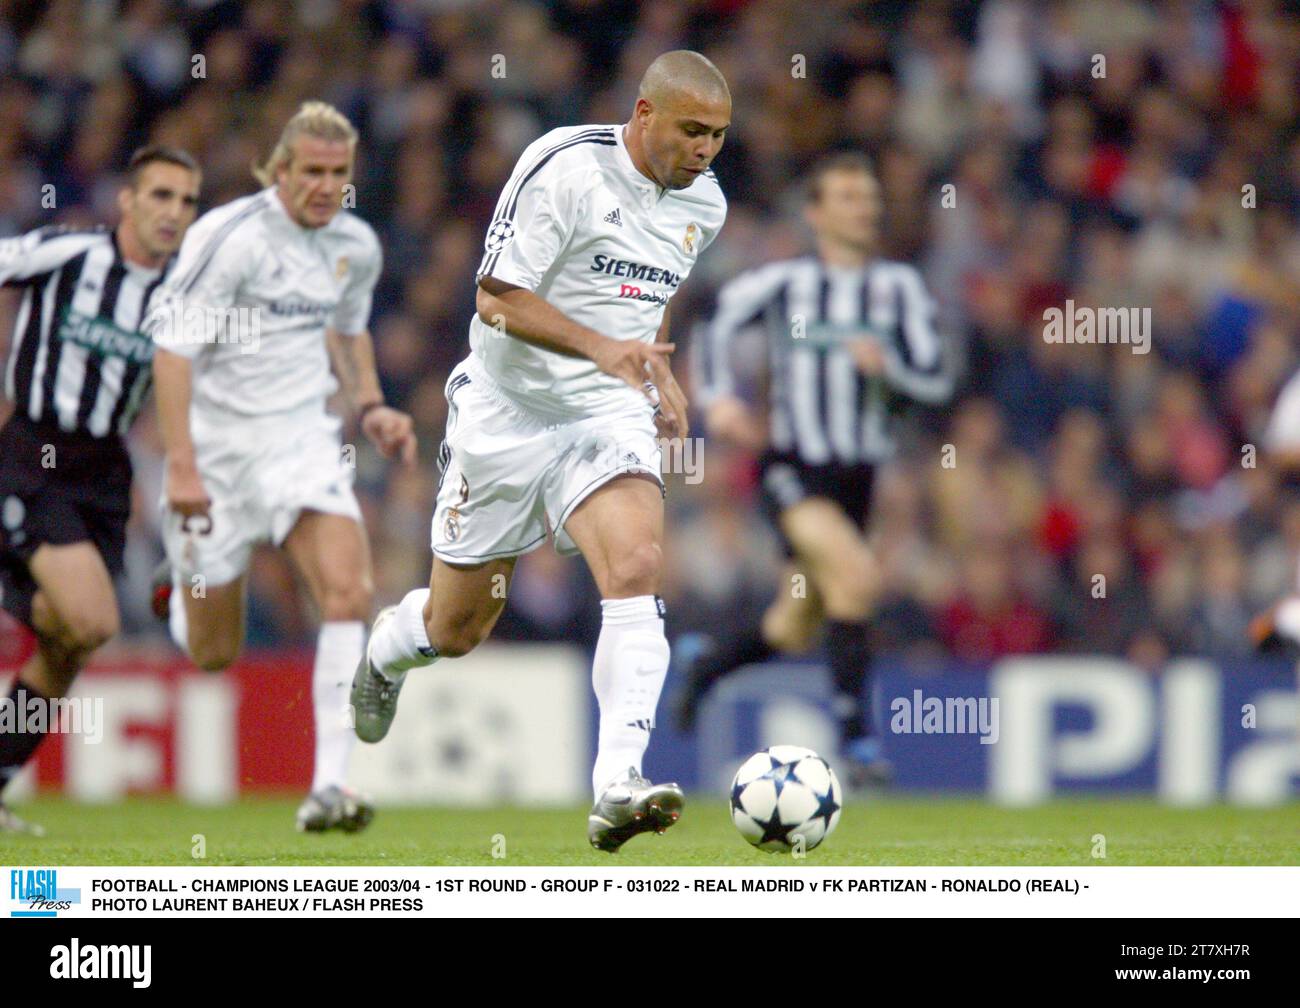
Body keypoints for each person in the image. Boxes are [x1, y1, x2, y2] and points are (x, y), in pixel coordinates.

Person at [350, 51, 729, 852]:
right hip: (504, 412)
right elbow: (493, 298)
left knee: (635, 564)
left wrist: (653, 368)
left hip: (602, 413)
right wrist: (600, 346)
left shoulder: (709, 204)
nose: (705, 150)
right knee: (458, 628)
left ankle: (617, 783)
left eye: (719, 136)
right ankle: (387, 651)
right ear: (645, 113)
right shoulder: (563, 166)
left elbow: (651, 294)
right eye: (692, 130)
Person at [147, 102, 416, 833]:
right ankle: (176, 595)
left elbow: (348, 329)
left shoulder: (355, 245)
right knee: (211, 651)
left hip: (302, 443)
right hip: (219, 454)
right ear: (281, 171)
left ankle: (330, 787)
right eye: (313, 173)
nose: (326, 187)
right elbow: (172, 352)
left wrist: (370, 405)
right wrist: (181, 466)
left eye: (339, 174)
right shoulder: (229, 238)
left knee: (349, 590)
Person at [681, 152, 951, 788]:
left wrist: (892, 371)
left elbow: (938, 381)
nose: (866, 208)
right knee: (857, 579)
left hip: (860, 476)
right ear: (816, 213)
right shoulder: (784, 284)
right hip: (792, 466)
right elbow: (714, 321)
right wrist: (718, 399)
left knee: (794, 624)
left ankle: (707, 667)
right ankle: (858, 743)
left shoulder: (900, 290)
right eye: (850, 197)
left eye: (870, 197)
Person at [0, 146, 201, 833]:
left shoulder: (183, 293)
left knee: (67, 642)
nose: (173, 212)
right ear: (128, 200)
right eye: (161, 195)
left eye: (186, 200)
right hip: (34, 453)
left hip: (105, 474)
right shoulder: (68, 252)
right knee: (92, 621)